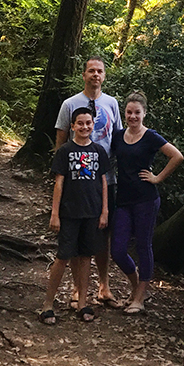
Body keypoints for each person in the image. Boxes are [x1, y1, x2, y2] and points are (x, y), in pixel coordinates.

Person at [55, 55, 122, 307]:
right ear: (83, 75)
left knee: (102, 233)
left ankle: (104, 286)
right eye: (91, 71)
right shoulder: (70, 104)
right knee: (77, 231)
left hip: (105, 179)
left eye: (100, 71)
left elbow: (117, 139)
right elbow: (61, 139)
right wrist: (58, 174)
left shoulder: (112, 103)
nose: (95, 75)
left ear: (104, 76)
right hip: (75, 180)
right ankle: (77, 288)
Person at [110, 91, 183, 315]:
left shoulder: (150, 136)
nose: (133, 116)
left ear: (144, 114)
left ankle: (140, 297)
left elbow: (177, 156)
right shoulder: (118, 135)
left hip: (145, 199)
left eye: (137, 113)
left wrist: (157, 177)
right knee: (118, 250)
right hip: (122, 199)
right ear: (125, 113)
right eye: (129, 112)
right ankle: (136, 287)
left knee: (143, 245)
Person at [42, 107, 109, 325]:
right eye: (80, 123)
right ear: (72, 126)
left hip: (92, 213)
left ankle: (82, 302)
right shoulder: (65, 151)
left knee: (85, 257)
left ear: (93, 125)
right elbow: (59, 183)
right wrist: (55, 213)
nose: (84, 127)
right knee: (63, 257)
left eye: (88, 123)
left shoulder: (99, 151)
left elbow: (103, 182)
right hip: (69, 213)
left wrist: (104, 211)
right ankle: (48, 305)